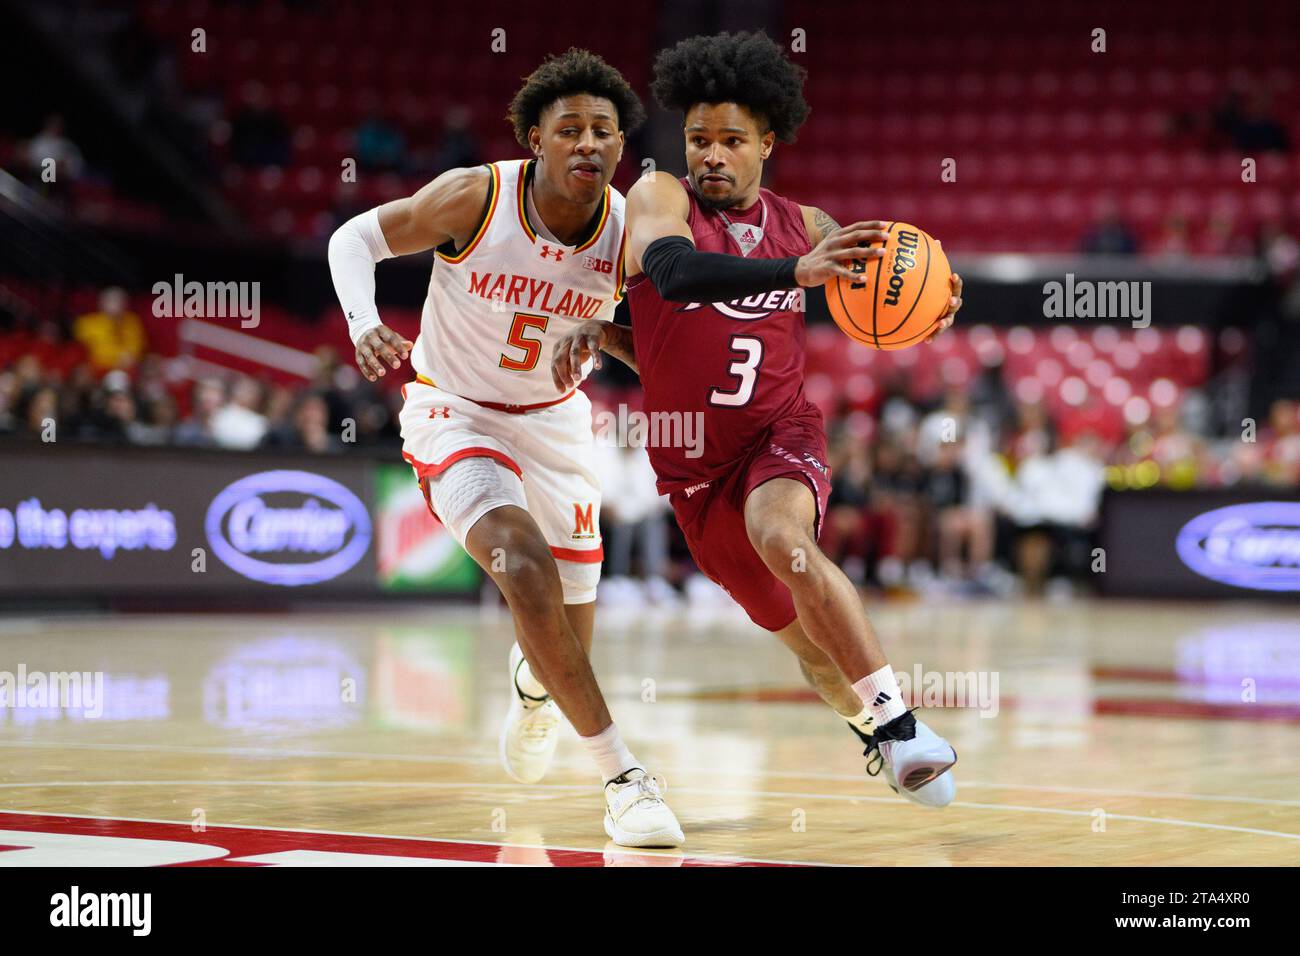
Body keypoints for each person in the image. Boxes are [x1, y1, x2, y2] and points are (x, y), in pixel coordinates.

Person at [553, 32, 963, 809]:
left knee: (783, 539)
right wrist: (609, 333)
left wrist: (934, 296)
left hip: (780, 434)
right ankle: (873, 727)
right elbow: (674, 277)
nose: (711, 155)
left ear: (767, 144)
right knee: (813, 656)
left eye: (732, 141)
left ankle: (903, 725)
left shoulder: (806, 224)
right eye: (698, 138)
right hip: (696, 478)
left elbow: (884, 273)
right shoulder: (659, 198)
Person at [327, 49, 682, 847]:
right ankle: (625, 781)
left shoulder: (630, 232)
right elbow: (353, 240)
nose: (589, 142)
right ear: (535, 140)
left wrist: (604, 331)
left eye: (604, 130)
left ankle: (534, 686)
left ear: (621, 144)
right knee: (521, 566)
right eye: (570, 128)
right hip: (456, 412)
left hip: (557, 423)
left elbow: (662, 357)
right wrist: (364, 323)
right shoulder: (476, 197)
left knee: (566, 636)